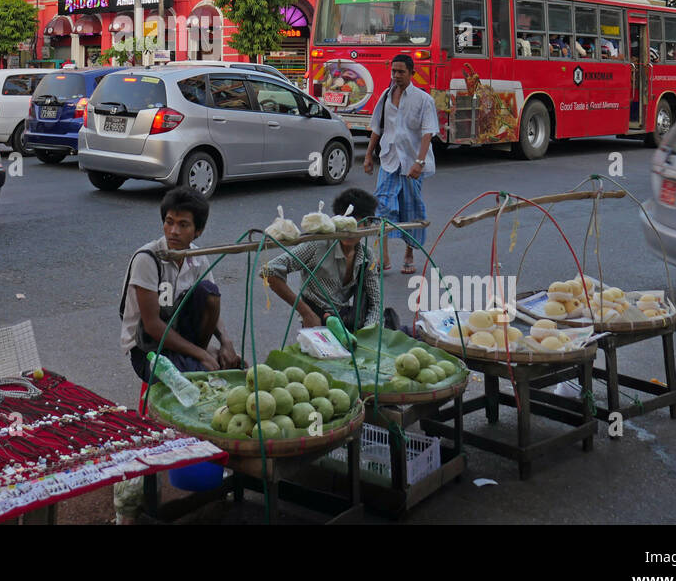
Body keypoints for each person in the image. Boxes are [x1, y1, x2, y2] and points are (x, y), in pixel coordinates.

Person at [119, 187, 241, 381]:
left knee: (209, 292)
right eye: (169, 222)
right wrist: (201, 354)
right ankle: (196, 359)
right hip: (148, 348)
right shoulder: (148, 259)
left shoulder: (197, 258)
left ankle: (198, 357)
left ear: (198, 231)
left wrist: (226, 342)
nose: (174, 231)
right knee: (206, 376)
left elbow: (211, 302)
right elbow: (152, 325)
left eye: (183, 225)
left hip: (182, 336)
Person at [261, 187, 381, 332]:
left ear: (367, 226)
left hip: (345, 321)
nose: (348, 232)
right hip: (316, 321)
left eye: (355, 225)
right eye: (344, 224)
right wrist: (306, 312)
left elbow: (376, 303)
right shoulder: (318, 245)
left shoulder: (366, 256)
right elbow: (270, 271)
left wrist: (368, 332)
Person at [363, 53, 438, 275]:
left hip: (412, 164)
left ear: (412, 73)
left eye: (401, 72)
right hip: (389, 160)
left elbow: (427, 133)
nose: (396, 75)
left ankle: (409, 253)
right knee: (382, 207)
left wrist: (419, 162)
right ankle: (384, 257)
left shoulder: (424, 100)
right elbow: (377, 127)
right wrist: (368, 156)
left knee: (411, 208)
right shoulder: (386, 96)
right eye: (393, 71)